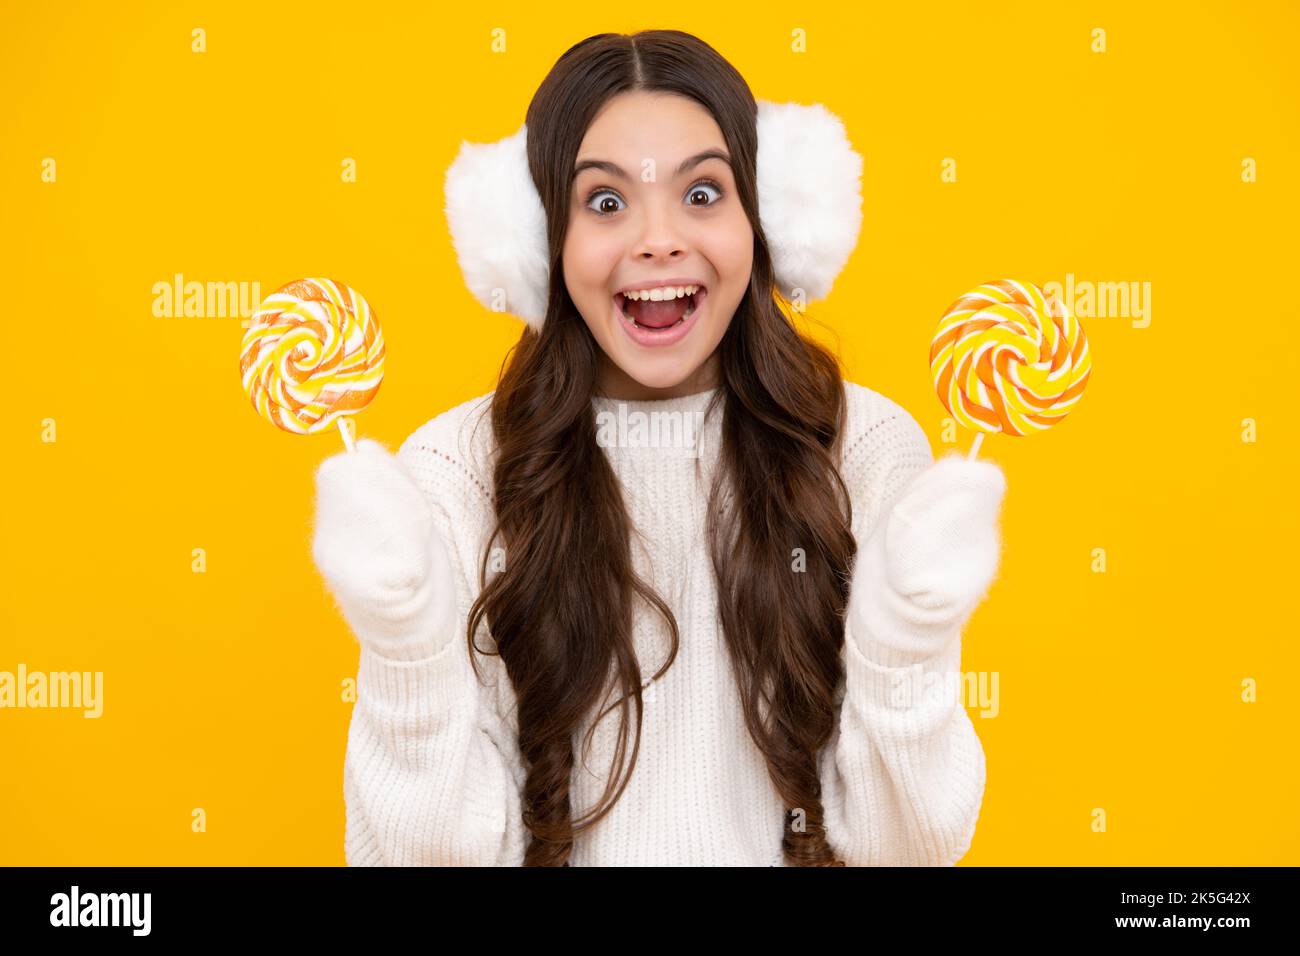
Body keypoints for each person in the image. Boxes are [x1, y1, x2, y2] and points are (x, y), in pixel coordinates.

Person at [310, 30, 1007, 867]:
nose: (659, 240)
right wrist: (407, 649)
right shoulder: (455, 473)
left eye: (703, 194)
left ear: (768, 219)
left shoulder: (863, 450)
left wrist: (906, 645)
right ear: (540, 244)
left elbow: (908, 851)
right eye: (605, 203)